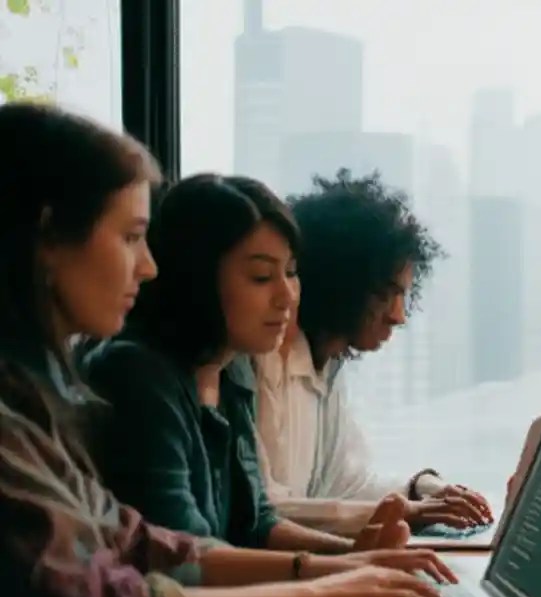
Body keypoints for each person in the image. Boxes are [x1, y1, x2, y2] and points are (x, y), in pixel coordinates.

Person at [0, 102, 452, 597]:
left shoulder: (40, 393)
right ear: (49, 236)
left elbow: (140, 541)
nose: (149, 265)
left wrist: (336, 570)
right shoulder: (109, 379)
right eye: (131, 236)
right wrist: (319, 590)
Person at [81, 172, 407, 554]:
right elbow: (184, 558)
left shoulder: (231, 369)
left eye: (290, 272)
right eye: (261, 276)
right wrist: (337, 575)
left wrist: (354, 558)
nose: (287, 297)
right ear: (197, 279)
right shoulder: (136, 374)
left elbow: (256, 522)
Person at [254, 169, 491, 535]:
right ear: (340, 283)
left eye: (403, 296)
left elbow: (346, 484)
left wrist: (423, 488)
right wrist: (409, 512)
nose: (398, 316)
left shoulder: (329, 365)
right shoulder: (263, 361)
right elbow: (265, 508)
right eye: (385, 294)